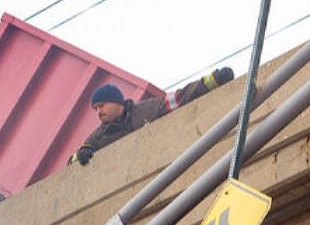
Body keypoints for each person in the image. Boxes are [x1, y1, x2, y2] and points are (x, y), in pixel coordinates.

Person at [73, 68, 235, 166]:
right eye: (95, 109)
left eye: (101, 105)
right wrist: (82, 154)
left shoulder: (147, 110)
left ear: (117, 102)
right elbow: (71, 163)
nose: (98, 112)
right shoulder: (96, 139)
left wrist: (210, 82)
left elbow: (180, 98)